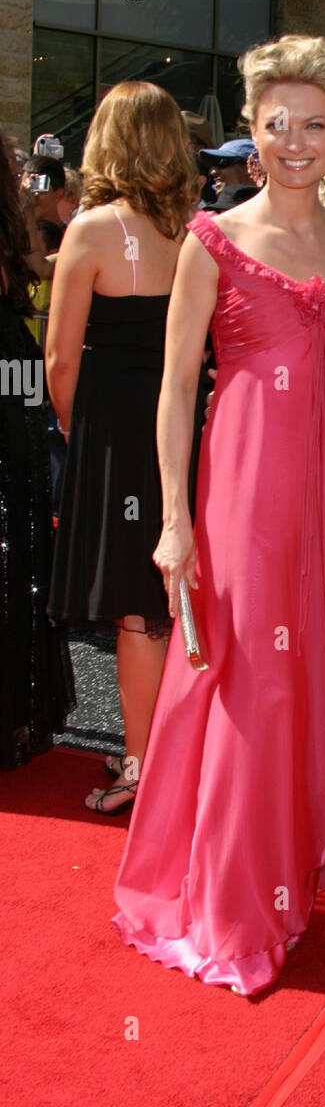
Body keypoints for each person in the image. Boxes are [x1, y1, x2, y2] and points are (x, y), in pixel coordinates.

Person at [112, 35, 325, 994]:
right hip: (243, 498)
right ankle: (241, 900)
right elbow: (170, 392)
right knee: (253, 681)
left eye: (314, 124)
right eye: (277, 122)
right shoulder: (212, 240)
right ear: (250, 127)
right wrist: (172, 520)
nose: (294, 139)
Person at [46, 81, 205, 813]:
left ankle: (143, 767)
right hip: (189, 428)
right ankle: (189, 758)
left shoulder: (92, 229)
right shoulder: (203, 229)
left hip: (114, 428)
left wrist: (81, 436)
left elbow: (60, 364)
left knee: (137, 615)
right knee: (180, 601)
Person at [0, 131, 75, 770]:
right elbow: (42, 270)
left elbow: (43, 268)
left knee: (21, 514)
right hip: (15, 366)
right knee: (20, 519)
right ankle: (19, 709)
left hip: (13, 370)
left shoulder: (17, 211)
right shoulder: (16, 209)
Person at [197, 138, 260, 213]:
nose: (213, 172)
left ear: (251, 166)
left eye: (223, 163)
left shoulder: (274, 210)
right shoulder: (212, 218)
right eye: (213, 166)